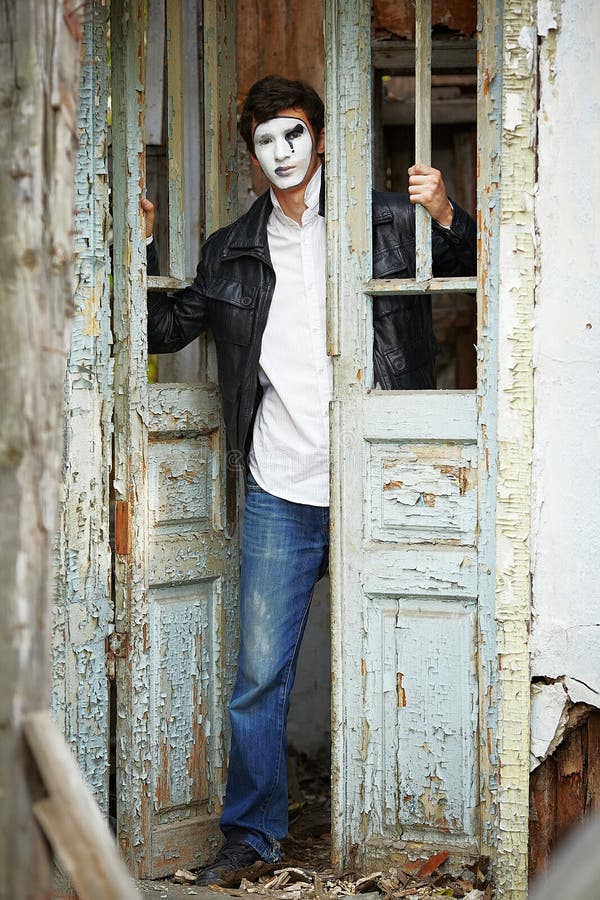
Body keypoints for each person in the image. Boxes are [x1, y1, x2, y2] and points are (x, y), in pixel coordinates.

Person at [142, 74, 476, 885]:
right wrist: (139, 249)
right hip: (280, 487)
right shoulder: (232, 249)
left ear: (320, 138)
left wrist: (445, 213)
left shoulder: (385, 220)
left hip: (383, 480)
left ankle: (417, 825)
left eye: (294, 133)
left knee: (413, 650)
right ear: (252, 155)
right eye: (266, 139)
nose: (282, 151)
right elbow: (164, 326)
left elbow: (475, 270)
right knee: (260, 678)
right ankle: (251, 836)